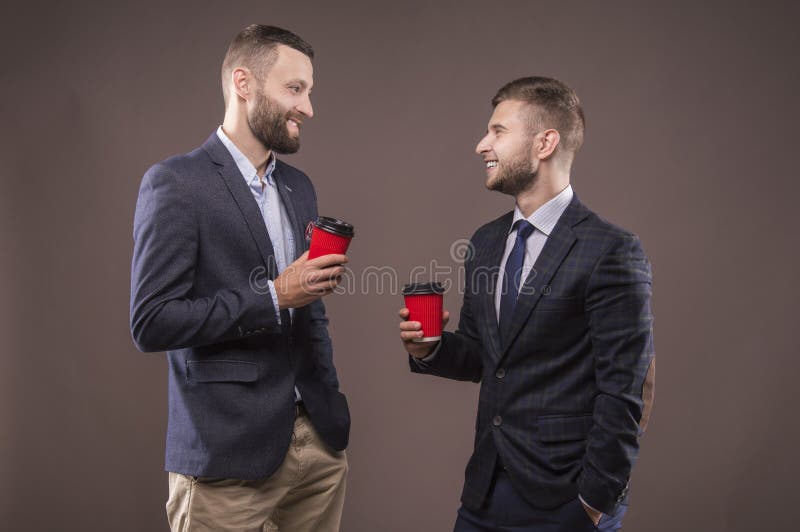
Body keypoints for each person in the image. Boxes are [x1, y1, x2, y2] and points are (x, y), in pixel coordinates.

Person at [398, 76, 655, 532]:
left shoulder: (611, 250)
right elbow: (484, 356)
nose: (481, 145)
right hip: (484, 490)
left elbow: (626, 393)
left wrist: (592, 504)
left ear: (545, 142)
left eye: (498, 131)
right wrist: (429, 349)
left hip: (566, 500)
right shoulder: (485, 242)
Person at [130, 24, 350, 532]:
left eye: (309, 92)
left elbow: (310, 308)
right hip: (225, 457)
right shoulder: (176, 184)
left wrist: (331, 405)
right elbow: (152, 322)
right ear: (243, 83)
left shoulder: (299, 187)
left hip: (317, 449)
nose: (308, 107)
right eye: (295, 89)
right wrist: (273, 296)